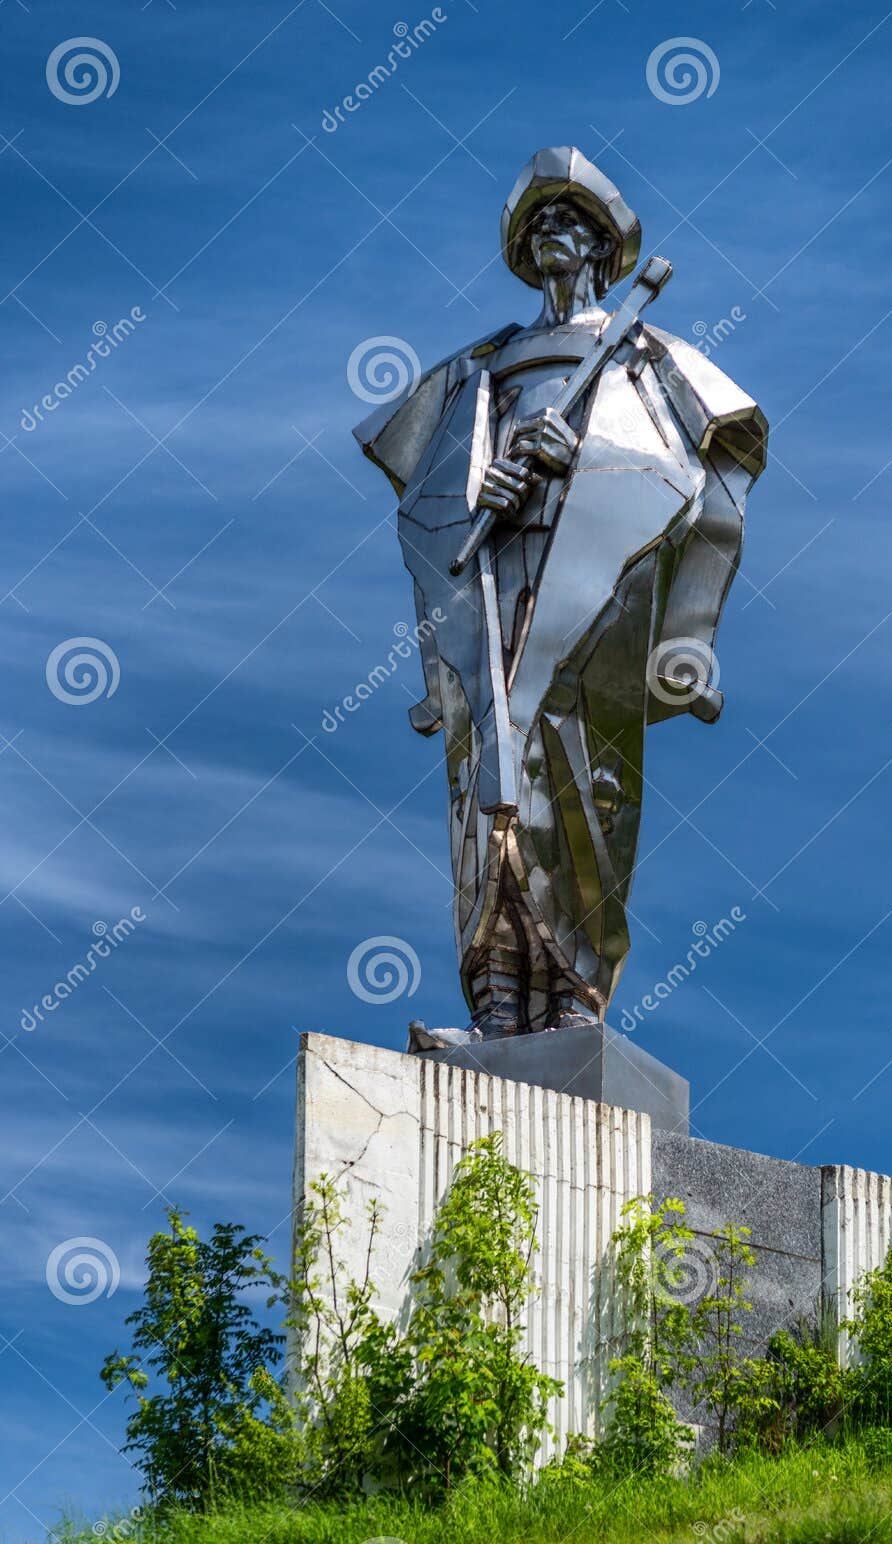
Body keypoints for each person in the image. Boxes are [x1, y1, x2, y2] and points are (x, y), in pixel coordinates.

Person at [356, 146, 766, 1043]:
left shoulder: (644, 357)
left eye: (569, 220)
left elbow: (711, 481)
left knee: (581, 778)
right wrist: (484, 484)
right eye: (537, 221)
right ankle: (497, 998)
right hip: (495, 584)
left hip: (594, 590)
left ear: (603, 249)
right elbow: (429, 491)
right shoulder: (482, 365)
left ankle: (574, 995)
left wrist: (584, 459)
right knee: (485, 778)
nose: (551, 231)